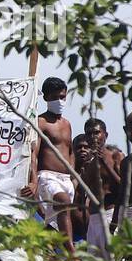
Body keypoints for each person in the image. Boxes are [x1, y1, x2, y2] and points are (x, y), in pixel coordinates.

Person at [20, 77, 75, 249]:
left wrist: (74, 177)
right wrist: (34, 181)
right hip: (47, 177)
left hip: (66, 179)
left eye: (63, 97)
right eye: (56, 97)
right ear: (46, 98)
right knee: (63, 202)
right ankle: (71, 252)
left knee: (59, 218)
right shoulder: (41, 122)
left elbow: (70, 151)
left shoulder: (67, 124)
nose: (60, 101)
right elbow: (33, 153)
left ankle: (54, 246)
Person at [82, 118, 123, 232]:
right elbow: (81, 192)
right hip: (93, 217)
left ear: (105, 135)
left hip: (111, 213)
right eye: (89, 134)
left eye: (96, 133)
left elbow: (124, 186)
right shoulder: (86, 160)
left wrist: (105, 164)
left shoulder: (115, 156)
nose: (93, 137)